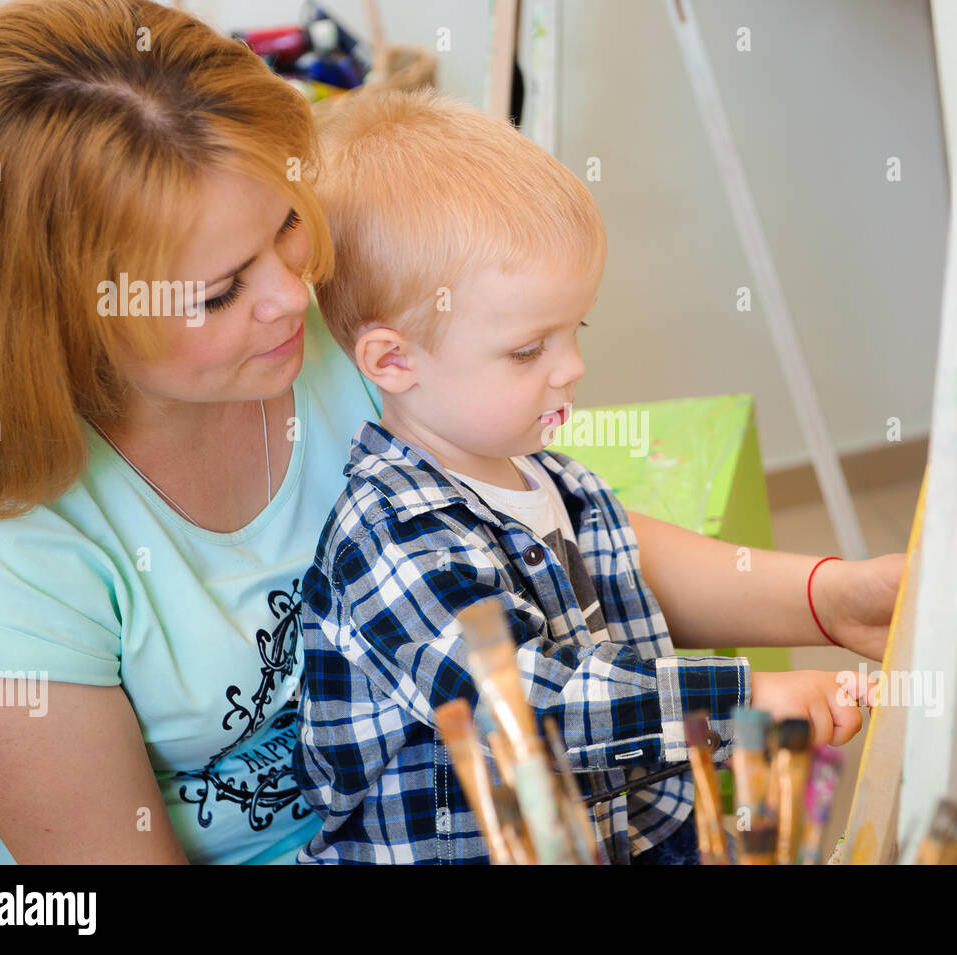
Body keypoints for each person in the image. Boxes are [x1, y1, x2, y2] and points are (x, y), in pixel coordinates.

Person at [0, 0, 957, 866]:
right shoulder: (4, 569)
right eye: (219, 291)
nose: (289, 293)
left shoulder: (337, 344)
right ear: (63, 317)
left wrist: (818, 593)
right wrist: (738, 693)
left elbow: (564, 537)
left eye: (287, 225)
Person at [291, 88, 925, 865]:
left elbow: (634, 646)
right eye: (529, 350)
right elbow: (530, 709)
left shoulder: (551, 479)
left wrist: (834, 600)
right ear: (393, 361)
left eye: (575, 330)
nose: (573, 368)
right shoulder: (388, 533)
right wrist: (739, 701)